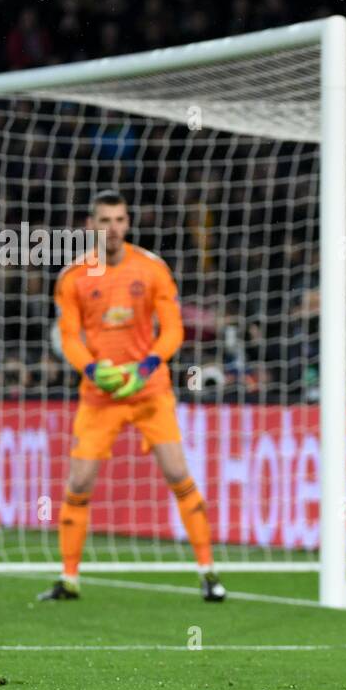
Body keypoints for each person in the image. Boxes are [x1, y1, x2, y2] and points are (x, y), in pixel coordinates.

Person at [39, 190, 224, 602]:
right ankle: (69, 578)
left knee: (178, 474)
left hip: (149, 390)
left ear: (128, 223)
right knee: (80, 482)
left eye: (120, 220)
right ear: (91, 225)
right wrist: (91, 369)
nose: (113, 228)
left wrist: (146, 367)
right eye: (105, 220)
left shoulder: (152, 269)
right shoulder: (73, 277)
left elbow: (174, 330)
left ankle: (209, 573)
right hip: (99, 394)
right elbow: (68, 338)